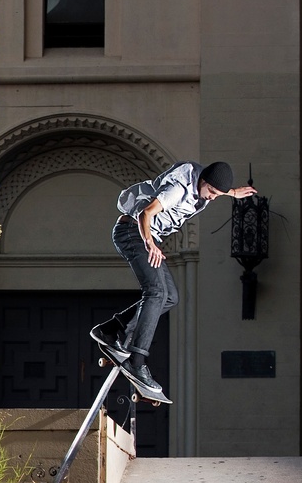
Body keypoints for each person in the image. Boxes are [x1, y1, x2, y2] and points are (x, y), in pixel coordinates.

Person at [90, 160, 257, 396]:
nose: (211, 198)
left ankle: (109, 330)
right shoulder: (177, 189)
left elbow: (214, 185)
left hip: (145, 237)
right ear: (203, 182)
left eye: (217, 195)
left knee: (171, 298)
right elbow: (145, 214)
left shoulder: (206, 183)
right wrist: (150, 243)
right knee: (156, 292)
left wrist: (232, 192)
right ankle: (137, 363)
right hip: (133, 233)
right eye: (211, 192)